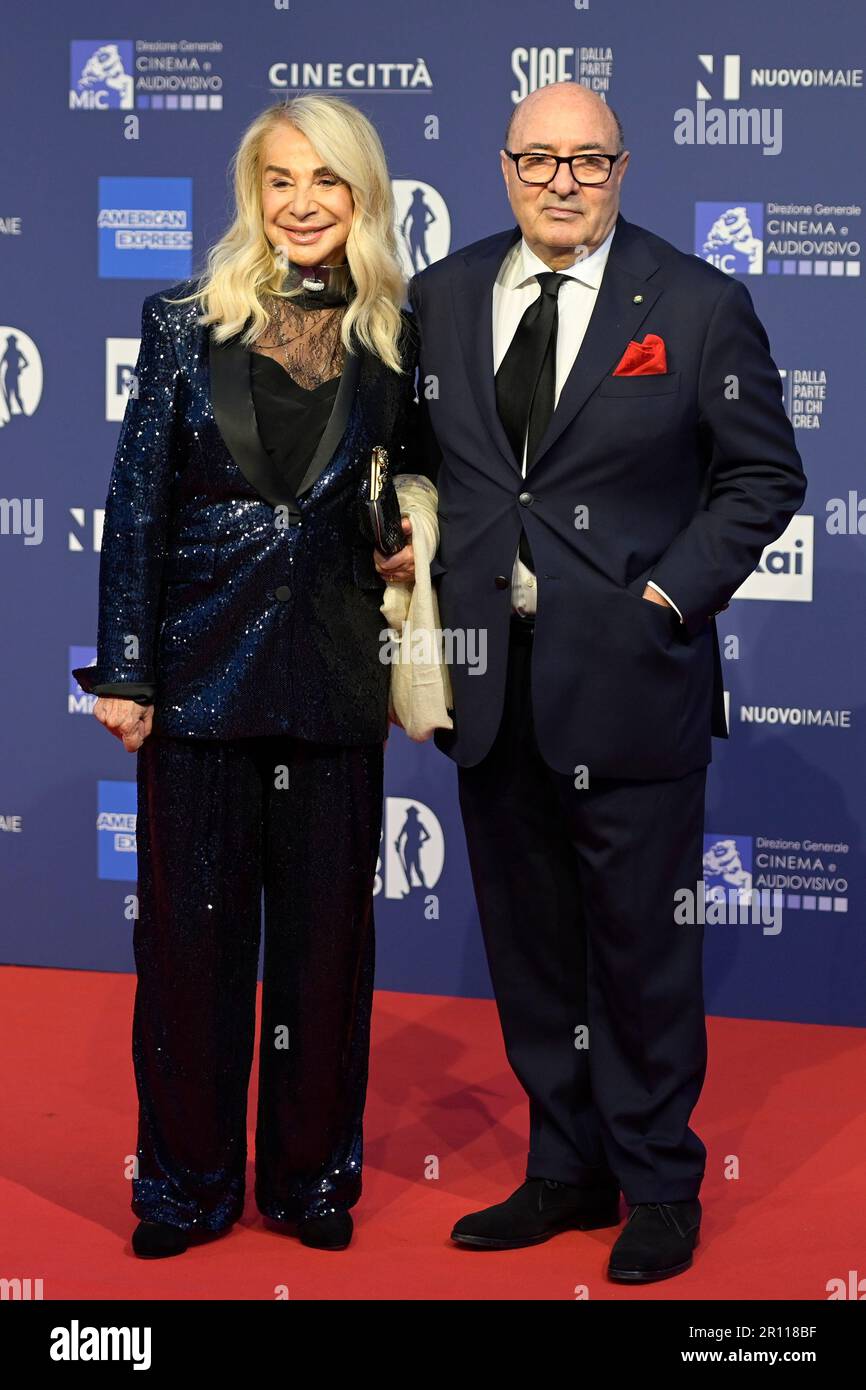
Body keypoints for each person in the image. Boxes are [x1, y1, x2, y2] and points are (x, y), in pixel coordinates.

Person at [392, 80, 806, 1283]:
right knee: (529, 950)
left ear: (622, 167)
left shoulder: (694, 302)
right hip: (489, 688)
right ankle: (564, 1169)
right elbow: (426, 467)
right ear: (504, 165)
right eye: (537, 159)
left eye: (586, 160)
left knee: (636, 953)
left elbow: (759, 480)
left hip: (633, 684)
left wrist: (660, 600)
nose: (560, 181)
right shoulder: (445, 293)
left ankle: (659, 1182)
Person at [74, 93, 419, 1258]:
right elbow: (135, 504)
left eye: (326, 180)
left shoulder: (394, 335)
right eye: (282, 180)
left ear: (361, 193)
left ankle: (311, 1180)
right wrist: (126, 666)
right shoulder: (183, 321)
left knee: (326, 953)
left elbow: (417, 491)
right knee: (186, 950)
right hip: (200, 678)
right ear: (253, 194)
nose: (304, 202)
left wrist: (412, 542)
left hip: (330, 682)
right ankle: (182, 1189)